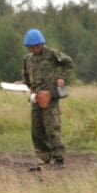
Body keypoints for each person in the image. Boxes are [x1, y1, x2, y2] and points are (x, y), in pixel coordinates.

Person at [22, 28, 72, 170]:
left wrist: (62, 78)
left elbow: (68, 63)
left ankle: (59, 159)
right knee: (37, 131)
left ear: (41, 43)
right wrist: (29, 88)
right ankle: (44, 160)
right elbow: (26, 76)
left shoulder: (53, 55)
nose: (34, 49)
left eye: (37, 46)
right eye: (31, 47)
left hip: (50, 97)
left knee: (52, 128)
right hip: (36, 98)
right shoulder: (28, 59)